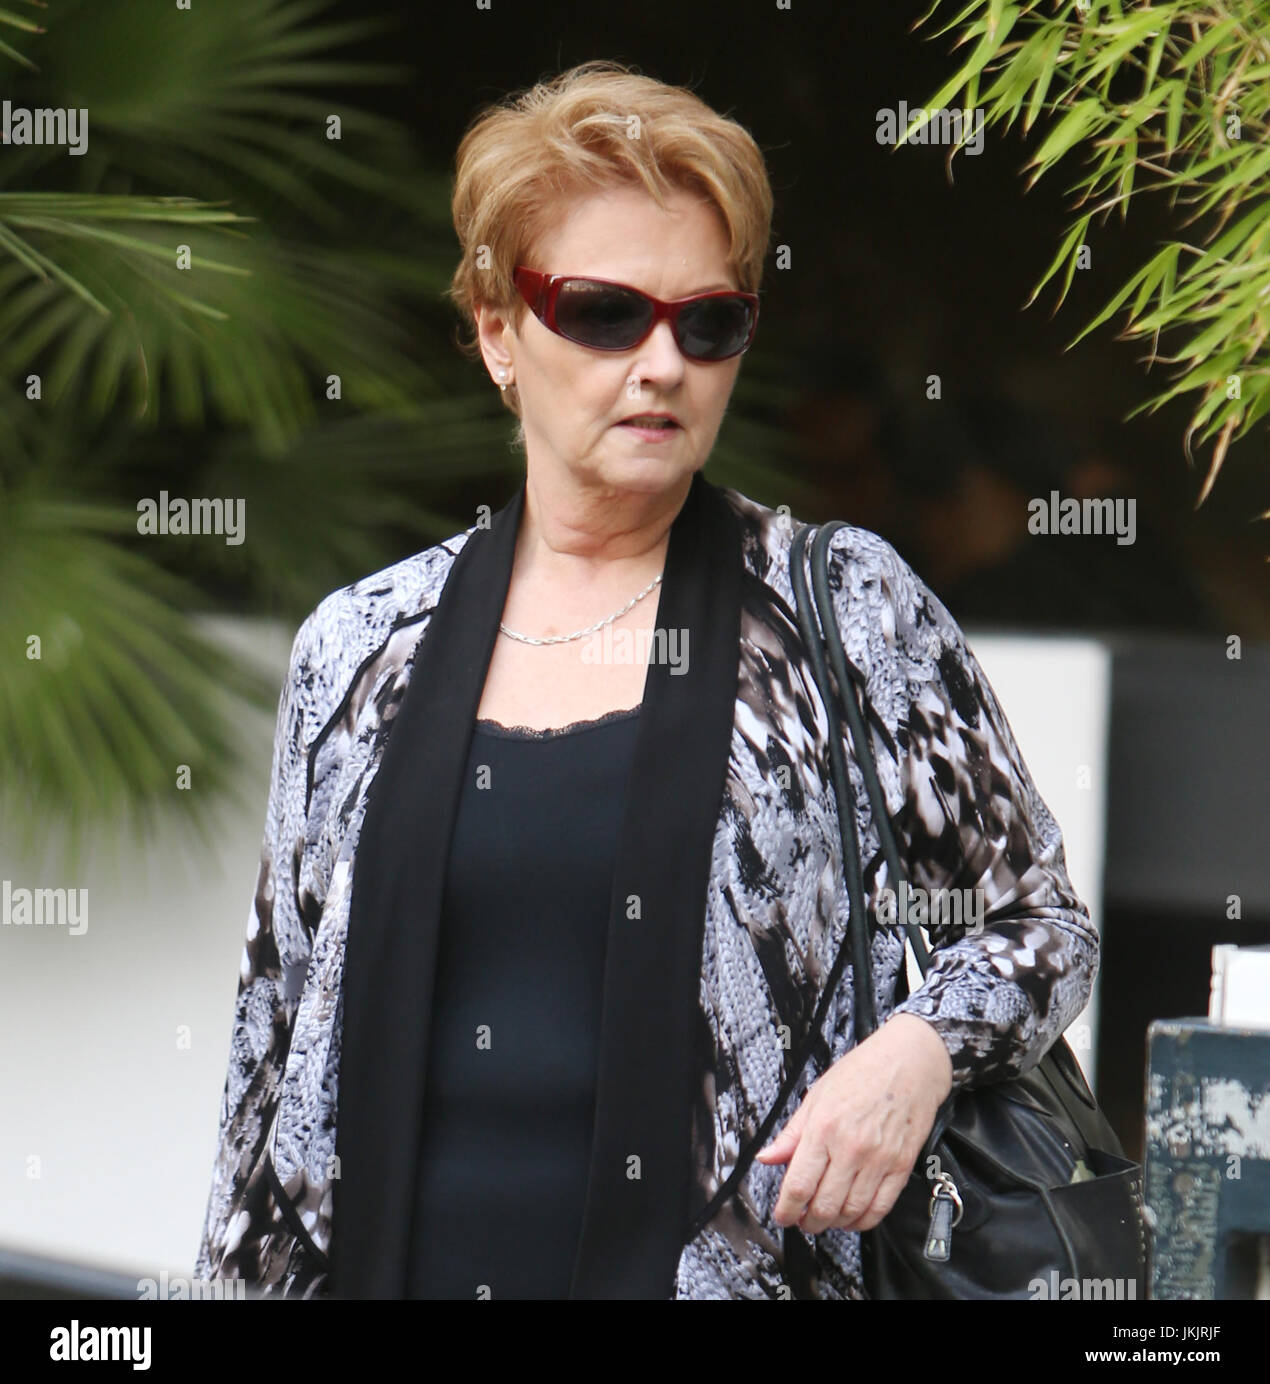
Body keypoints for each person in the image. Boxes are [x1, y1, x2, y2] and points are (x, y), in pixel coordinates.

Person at [193, 60, 1099, 1301]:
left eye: (707, 321)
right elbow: (271, 1041)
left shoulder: (844, 608)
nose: (661, 362)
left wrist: (914, 1053)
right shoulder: (362, 647)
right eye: (605, 313)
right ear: (498, 330)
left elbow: (1038, 922)